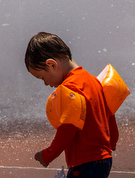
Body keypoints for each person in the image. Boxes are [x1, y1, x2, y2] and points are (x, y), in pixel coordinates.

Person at [25, 32, 118, 177]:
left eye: (42, 77)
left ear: (51, 65)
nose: (45, 83)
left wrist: (48, 154)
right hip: (103, 159)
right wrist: (112, 142)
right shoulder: (93, 81)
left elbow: (68, 128)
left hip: (85, 162)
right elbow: (109, 114)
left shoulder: (71, 88)